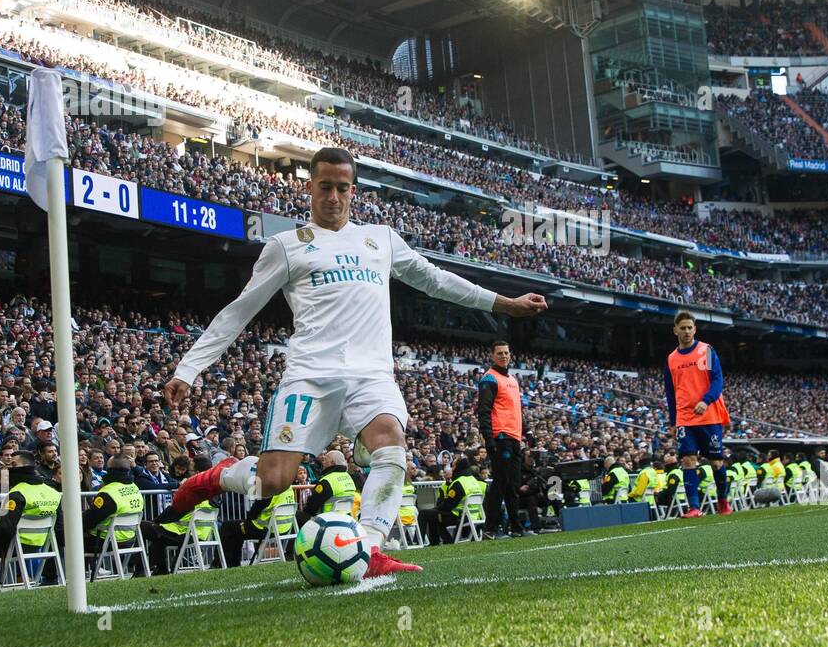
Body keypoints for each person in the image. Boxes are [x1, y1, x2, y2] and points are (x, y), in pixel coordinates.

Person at [160, 147, 547, 576]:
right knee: (272, 481)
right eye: (324, 187)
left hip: (370, 377)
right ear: (309, 187)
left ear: (353, 191)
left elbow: (435, 280)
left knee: (392, 447)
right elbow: (239, 310)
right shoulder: (287, 246)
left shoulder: (379, 240)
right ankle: (212, 478)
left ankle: (370, 549)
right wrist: (188, 369)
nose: (333, 196)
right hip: (310, 377)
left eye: (342, 188)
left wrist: (504, 304)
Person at [664, 310, 731, 518]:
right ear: (675, 330)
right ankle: (694, 507)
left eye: (689, 328)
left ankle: (722, 500)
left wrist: (706, 400)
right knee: (687, 460)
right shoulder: (671, 359)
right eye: (682, 328)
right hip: (685, 417)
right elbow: (670, 391)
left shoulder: (706, 351)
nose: (686, 331)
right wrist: (673, 420)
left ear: (695, 329)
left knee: (716, 462)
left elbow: (717, 380)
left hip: (708, 415)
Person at [0, 451, 62, 592]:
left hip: (15, 546)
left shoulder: (18, 493)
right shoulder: (54, 493)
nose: (9, 467)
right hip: (42, 543)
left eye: (13, 464)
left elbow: (6, 529)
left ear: (26, 466)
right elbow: (59, 528)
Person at [477, 340, 526, 538]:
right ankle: (490, 528)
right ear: (492, 355)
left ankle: (516, 528)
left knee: (512, 484)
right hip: (500, 437)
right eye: (499, 353)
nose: (504, 356)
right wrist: (489, 438)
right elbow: (484, 410)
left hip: (514, 438)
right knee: (500, 482)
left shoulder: (512, 379)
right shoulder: (489, 378)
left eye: (506, 352)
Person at [300, 450, 361, 520]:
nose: (323, 461)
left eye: (326, 459)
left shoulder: (327, 481)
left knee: (298, 515)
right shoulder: (348, 477)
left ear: (332, 463)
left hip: (325, 519)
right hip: (345, 518)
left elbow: (312, 505)